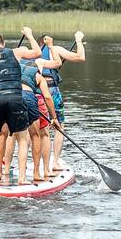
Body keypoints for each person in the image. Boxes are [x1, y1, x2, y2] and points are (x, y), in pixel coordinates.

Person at [0, 28, 41, 186]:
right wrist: (29, 34)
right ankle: (21, 179)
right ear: (3, 43)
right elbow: (37, 52)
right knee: (21, 139)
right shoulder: (16, 52)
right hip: (15, 98)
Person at [36, 31, 85, 168]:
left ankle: (37, 162)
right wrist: (78, 40)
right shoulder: (55, 49)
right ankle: (55, 162)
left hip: (35, 91)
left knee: (38, 128)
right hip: (51, 89)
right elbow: (80, 57)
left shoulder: (31, 53)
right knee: (59, 127)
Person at [20, 59, 60, 182]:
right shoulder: (38, 76)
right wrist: (54, 118)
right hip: (36, 101)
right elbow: (47, 96)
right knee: (41, 135)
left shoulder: (17, 71)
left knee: (20, 138)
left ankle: (7, 171)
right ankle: (42, 171)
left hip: (14, 99)